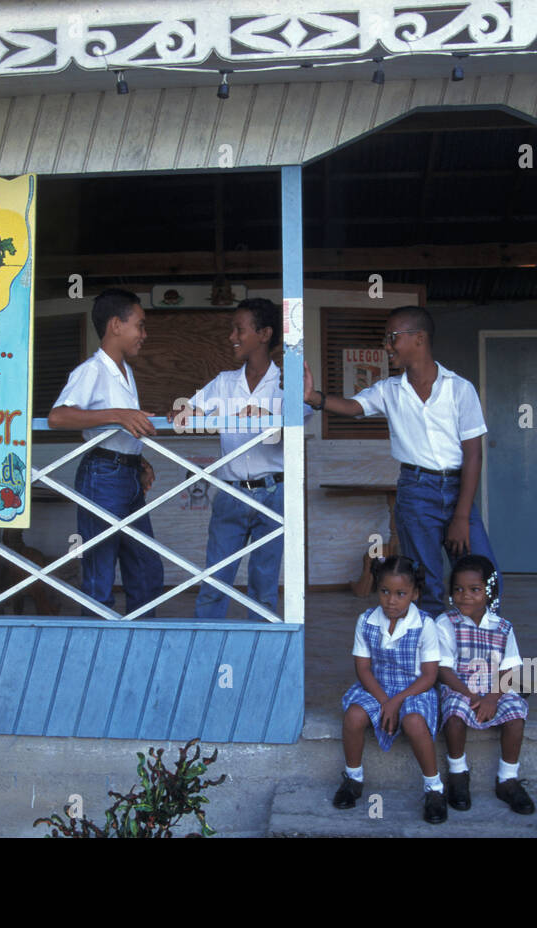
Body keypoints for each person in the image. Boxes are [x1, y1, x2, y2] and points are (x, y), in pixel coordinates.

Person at [302, 305, 502, 616]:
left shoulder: (459, 389)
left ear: (419, 339)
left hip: (457, 491)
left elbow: (473, 454)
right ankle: (434, 659)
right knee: (426, 581)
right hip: (415, 491)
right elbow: (354, 406)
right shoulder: (389, 390)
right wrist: (315, 397)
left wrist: (461, 516)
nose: (387, 346)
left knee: (483, 577)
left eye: (392, 338)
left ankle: (479, 649)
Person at [177, 298, 311, 621]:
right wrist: (190, 412)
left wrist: (267, 417)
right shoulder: (224, 383)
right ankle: (206, 649)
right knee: (215, 580)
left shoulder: (286, 384)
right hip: (231, 492)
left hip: (275, 493)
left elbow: (295, 427)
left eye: (240, 329)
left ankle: (260, 655)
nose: (231, 336)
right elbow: (184, 414)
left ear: (264, 334)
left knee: (264, 585)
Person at [47, 288, 164, 616]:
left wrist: (138, 458)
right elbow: (59, 416)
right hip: (102, 476)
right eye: (139, 325)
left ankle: (142, 644)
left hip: (126, 473)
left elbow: (120, 429)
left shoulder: (125, 372)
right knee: (100, 573)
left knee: (146, 568)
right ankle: (99, 654)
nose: (144, 334)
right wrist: (117, 414)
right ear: (115, 325)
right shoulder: (93, 370)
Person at [333, 555, 448, 824]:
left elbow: (430, 676)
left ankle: (434, 789)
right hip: (377, 687)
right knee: (354, 716)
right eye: (385, 592)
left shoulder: (424, 624)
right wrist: (385, 700)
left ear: (415, 594)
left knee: (414, 722)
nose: (391, 600)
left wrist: (396, 702)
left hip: (415, 689)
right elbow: (363, 669)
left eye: (400, 594)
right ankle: (353, 778)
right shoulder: (367, 621)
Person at [435, 554, 534, 815]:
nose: (464, 596)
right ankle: (458, 773)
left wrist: (491, 698)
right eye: (458, 589)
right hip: (459, 688)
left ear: (490, 593)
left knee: (515, 716)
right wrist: (468, 695)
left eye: (474, 590)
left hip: (494, 690)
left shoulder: (502, 627)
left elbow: (510, 669)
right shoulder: (446, 623)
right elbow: (443, 669)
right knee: (454, 715)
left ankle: (507, 778)